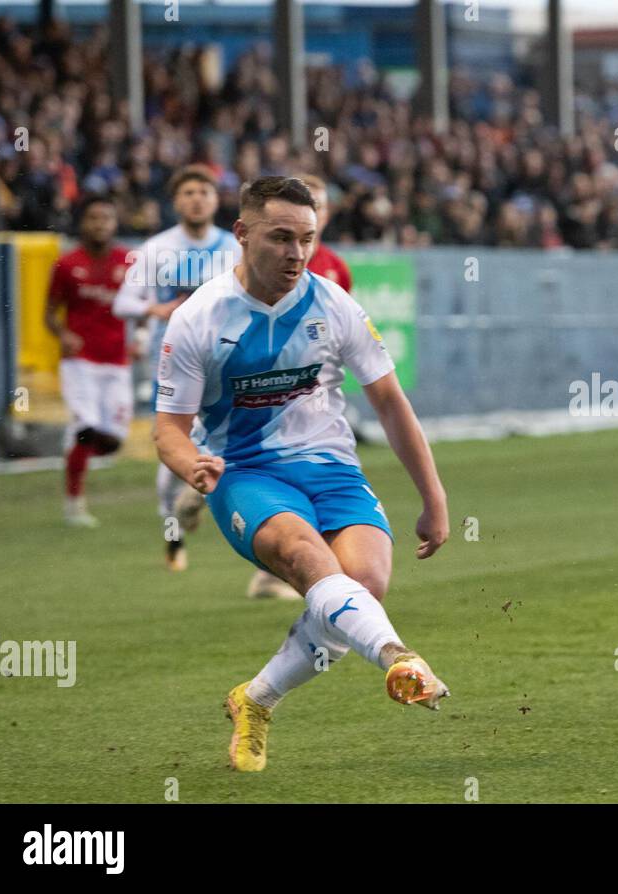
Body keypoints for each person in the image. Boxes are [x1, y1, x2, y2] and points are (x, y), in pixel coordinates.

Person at [153, 176, 450, 771]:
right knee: (305, 557)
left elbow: (390, 402)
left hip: (331, 469)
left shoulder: (335, 305)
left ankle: (255, 699)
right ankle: (399, 655)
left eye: (307, 239)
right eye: (281, 237)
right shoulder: (198, 319)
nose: (296, 254)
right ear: (241, 233)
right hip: (247, 474)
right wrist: (194, 466)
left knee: (362, 586)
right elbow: (168, 429)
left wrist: (433, 496)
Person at [170, 173, 351, 600]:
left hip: (305, 397)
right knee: (250, 465)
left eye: (322, 207)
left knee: (312, 471)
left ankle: (276, 577)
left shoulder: (333, 270)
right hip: (245, 400)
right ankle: (201, 488)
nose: (318, 214)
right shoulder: (254, 265)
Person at [113, 164, 241, 570]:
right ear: (175, 202)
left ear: (216, 199)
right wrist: (155, 308)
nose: (197, 199)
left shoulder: (236, 248)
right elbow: (122, 302)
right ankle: (174, 532)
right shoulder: (157, 249)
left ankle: (214, 502)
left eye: (204, 191)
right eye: (188, 192)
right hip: (171, 363)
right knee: (171, 453)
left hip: (227, 362)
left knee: (231, 442)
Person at [45, 194, 132, 527]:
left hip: (117, 361)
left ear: (114, 222)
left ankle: (75, 452)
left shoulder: (130, 261)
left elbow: (141, 307)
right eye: (93, 218)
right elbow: (50, 314)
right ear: (83, 223)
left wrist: (137, 338)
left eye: (106, 218)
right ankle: (74, 504)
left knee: (111, 440)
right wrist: (62, 334)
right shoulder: (67, 264)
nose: (100, 224)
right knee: (86, 430)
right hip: (79, 361)